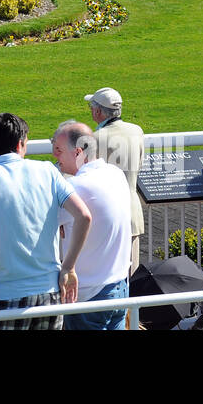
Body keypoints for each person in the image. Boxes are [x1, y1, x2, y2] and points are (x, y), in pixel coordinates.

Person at [0, 113, 92, 329]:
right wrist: (68, 267)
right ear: (21, 143)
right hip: (49, 293)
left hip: (5, 296)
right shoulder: (48, 171)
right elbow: (84, 216)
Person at [52, 121, 131, 330]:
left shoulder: (75, 186)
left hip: (88, 295)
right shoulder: (116, 174)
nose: (55, 157)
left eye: (58, 151)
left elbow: (41, 224)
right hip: (119, 288)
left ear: (78, 152)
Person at [87, 87, 144, 272]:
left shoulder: (93, 138)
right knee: (130, 277)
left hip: (105, 217)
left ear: (97, 111)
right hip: (132, 212)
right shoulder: (136, 131)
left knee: (108, 277)